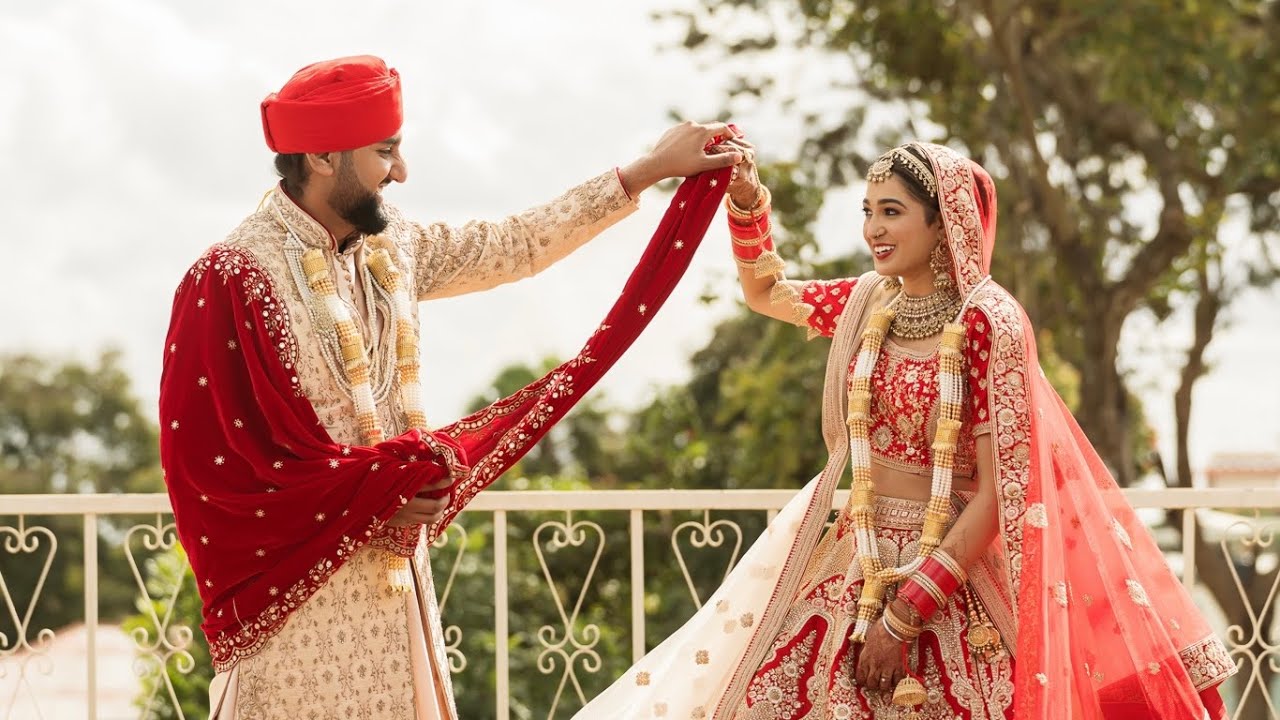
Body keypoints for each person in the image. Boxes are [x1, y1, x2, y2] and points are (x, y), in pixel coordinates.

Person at [158, 54, 743, 719]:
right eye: (385, 152)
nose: (401, 172)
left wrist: (650, 170)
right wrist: (370, 495)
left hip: (397, 582)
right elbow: (213, 474)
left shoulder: (395, 246)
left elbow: (517, 244)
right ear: (321, 156)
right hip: (297, 605)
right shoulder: (232, 276)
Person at [573, 142, 1235, 719]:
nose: (873, 229)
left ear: (943, 222)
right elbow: (766, 293)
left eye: (891, 211)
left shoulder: (988, 323)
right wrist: (747, 205)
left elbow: (998, 493)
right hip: (850, 564)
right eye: (868, 211)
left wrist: (905, 612)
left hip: (950, 573)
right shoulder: (869, 301)